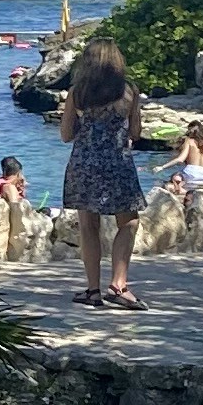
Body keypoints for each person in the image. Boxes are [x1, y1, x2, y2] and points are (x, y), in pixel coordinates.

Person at [57, 36, 146, 307]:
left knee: (88, 225)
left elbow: (65, 134)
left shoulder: (78, 92)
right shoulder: (129, 91)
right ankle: (119, 284)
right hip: (118, 163)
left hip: (85, 164)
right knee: (128, 222)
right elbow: (136, 132)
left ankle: (93, 290)